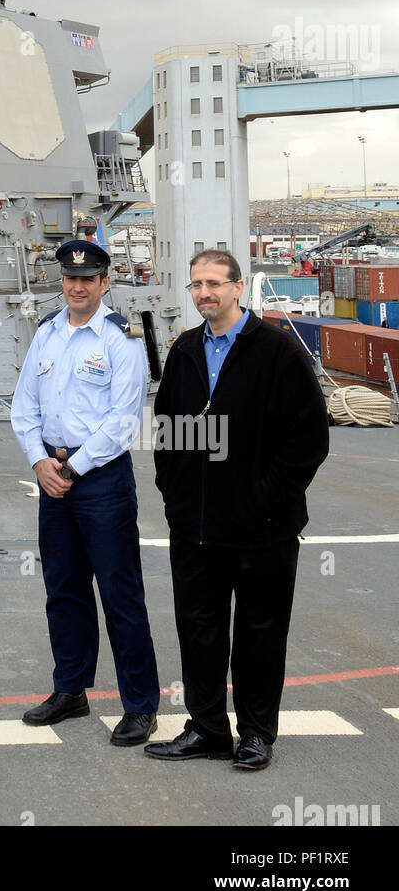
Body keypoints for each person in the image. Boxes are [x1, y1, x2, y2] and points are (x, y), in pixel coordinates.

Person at [145, 249, 329, 771]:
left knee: (260, 633)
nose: (204, 293)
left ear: (237, 287)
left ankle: (255, 734)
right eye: (196, 285)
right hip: (196, 528)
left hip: (263, 531)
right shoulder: (185, 350)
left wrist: (265, 501)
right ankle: (206, 728)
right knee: (198, 630)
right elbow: (167, 431)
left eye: (214, 283)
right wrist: (176, 495)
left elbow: (308, 439)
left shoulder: (276, 350)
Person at [10, 238, 160, 746]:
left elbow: (123, 421)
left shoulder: (121, 340)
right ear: (63, 281)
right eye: (70, 278)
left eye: (87, 279)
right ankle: (70, 690)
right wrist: (39, 461)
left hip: (100, 481)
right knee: (64, 590)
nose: (77, 287)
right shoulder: (47, 333)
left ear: (104, 282)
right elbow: (24, 406)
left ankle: (140, 705)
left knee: (120, 595)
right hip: (52, 473)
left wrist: (71, 468)